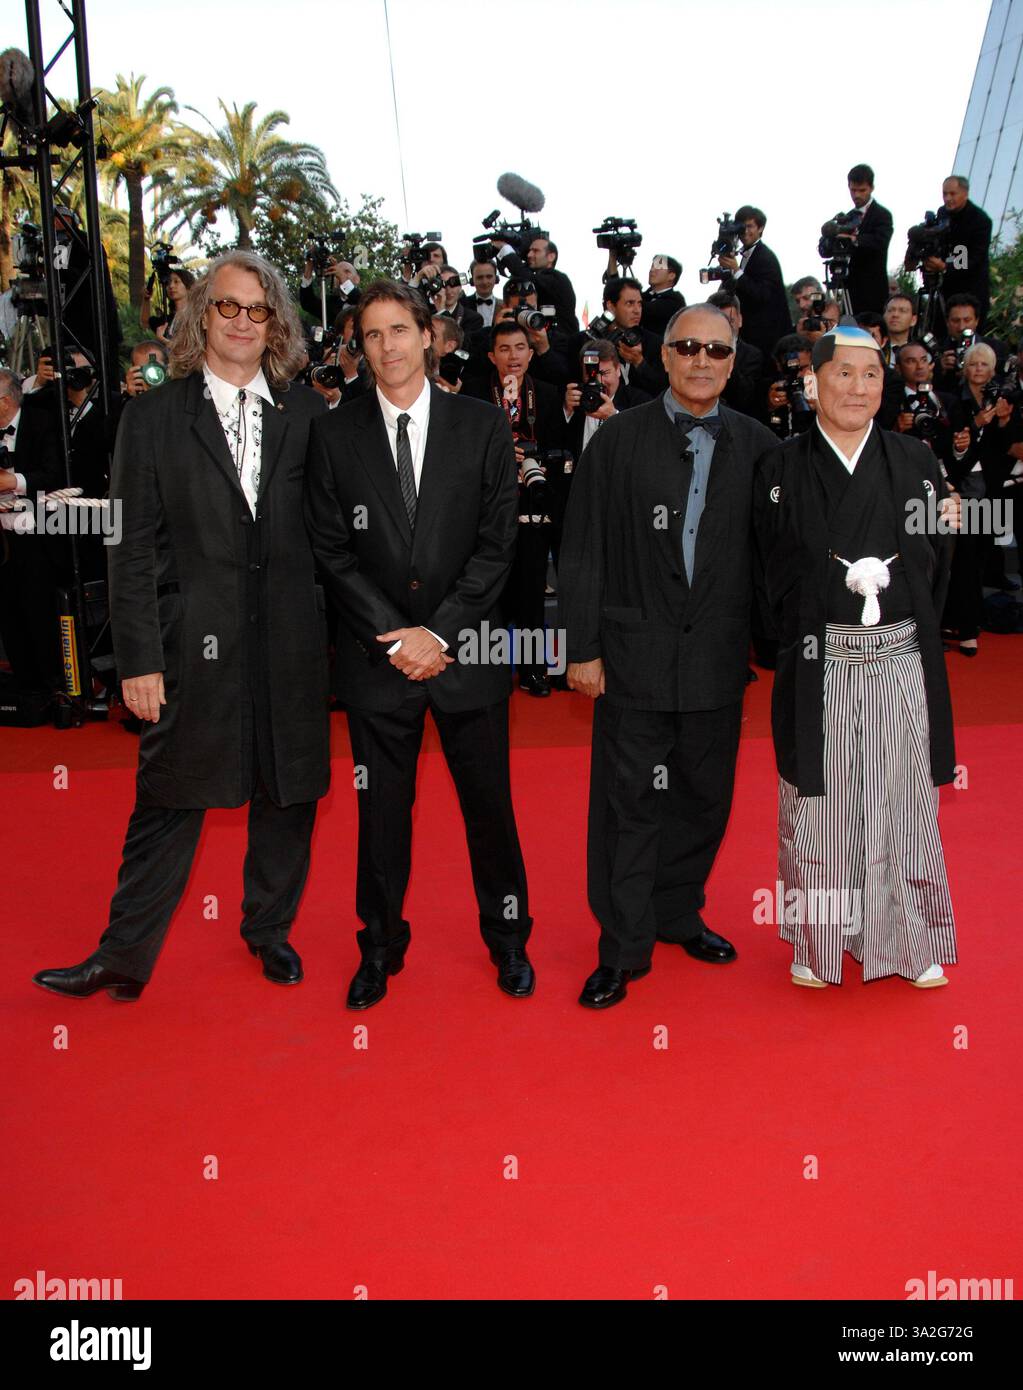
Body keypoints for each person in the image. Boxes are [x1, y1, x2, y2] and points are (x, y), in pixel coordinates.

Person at [33, 251, 331, 1001]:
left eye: (257, 310)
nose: (240, 321)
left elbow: (338, 537)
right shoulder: (156, 416)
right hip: (190, 639)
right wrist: (137, 658)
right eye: (226, 306)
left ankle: (269, 930)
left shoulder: (308, 415)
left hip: (291, 638)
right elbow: (129, 544)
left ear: (276, 327)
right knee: (168, 794)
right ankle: (123, 956)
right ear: (201, 317)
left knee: (288, 791)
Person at [303, 279, 535, 1008]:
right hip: (379, 661)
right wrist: (398, 639)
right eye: (371, 335)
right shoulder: (333, 432)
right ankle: (378, 948)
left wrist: (439, 633)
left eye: (399, 330)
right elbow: (331, 551)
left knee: (489, 810)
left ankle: (508, 941)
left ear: (430, 335)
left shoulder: (480, 425)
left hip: (467, 655)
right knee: (379, 815)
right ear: (359, 346)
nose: (387, 347)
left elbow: (499, 547)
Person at [558, 304, 777, 1009]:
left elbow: (779, 554)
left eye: (717, 349)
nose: (702, 360)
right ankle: (621, 947)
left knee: (700, 798)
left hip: (716, 658)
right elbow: (583, 547)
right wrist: (582, 649)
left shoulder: (758, 445)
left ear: (733, 358)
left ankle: (678, 913)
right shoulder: (616, 440)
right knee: (628, 807)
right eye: (687, 347)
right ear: (665, 356)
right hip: (631, 657)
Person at [753, 323, 960, 988]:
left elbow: (935, 564)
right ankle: (815, 944)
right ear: (812, 382)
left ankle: (908, 940)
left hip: (898, 650)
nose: (857, 387)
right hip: (818, 658)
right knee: (818, 805)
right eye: (842, 373)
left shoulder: (913, 460)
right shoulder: (780, 466)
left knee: (901, 804)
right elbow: (763, 568)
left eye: (870, 375)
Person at [943, 341, 1015, 656]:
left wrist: (1001, 420)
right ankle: (966, 627)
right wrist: (978, 422)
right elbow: (950, 442)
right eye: (973, 364)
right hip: (962, 487)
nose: (978, 370)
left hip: (991, 486)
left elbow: (1005, 444)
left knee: (978, 555)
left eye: (984, 365)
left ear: (993, 369)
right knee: (964, 556)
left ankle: (969, 620)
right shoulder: (954, 400)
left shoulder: (1003, 399)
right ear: (965, 368)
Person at [0, 368, 63, 697]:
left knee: (38, 612)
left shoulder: (41, 422)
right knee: (8, 615)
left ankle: (52, 685)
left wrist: (13, 481)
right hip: (3, 542)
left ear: (7, 401)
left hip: (39, 536)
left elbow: (56, 474)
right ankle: (25, 685)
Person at [718, 206, 792, 359]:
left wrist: (736, 271)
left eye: (750, 226)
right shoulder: (745, 255)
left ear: (760, 228)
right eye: (741, 227)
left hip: (766, 339)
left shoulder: (765, 257)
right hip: (751, 337)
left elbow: (762, 295)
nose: (745, 231)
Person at [843, 164, 894, 315]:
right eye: (853, 190)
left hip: (873, 290)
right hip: (850, 288)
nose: (857, 195)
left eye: (862, 190)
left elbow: (880, 242)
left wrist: (853, 239)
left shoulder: (882, 215)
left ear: (871, 188)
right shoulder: (848, 216)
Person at [641, 255, 686, 338]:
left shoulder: (675, 300)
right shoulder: (643, 296)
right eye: (652, 266)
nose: (652, 270)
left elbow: (647, 310)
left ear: (671, 276)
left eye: (659, 267)